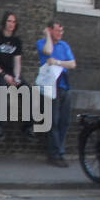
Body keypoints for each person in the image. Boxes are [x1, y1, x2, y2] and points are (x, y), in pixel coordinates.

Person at [37, 20, 76, 167]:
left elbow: (72, 64)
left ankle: (60, 151)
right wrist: (47, 35)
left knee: (64, 121)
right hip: (50, 86)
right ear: (50, 30)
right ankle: (54, 154)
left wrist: (58, 62)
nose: (60, 34)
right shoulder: (42, 43)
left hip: (64, 85)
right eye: (57, 31)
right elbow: (47, 52)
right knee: (53, 120)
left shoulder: (64, 46)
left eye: (61, 31)